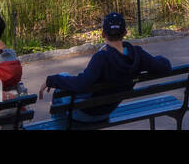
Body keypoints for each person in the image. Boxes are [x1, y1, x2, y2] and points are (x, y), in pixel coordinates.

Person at [39, 13, 171, 122]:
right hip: (108, 111)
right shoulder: (138, 54)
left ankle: (57, 124)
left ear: (103, 34)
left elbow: (81, 84)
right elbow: (164, 67)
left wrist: (51, 80)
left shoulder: (102, 58)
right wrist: (155, 59)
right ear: (125, 32)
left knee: (62, 80)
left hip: (88, 114)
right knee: (66, 80)